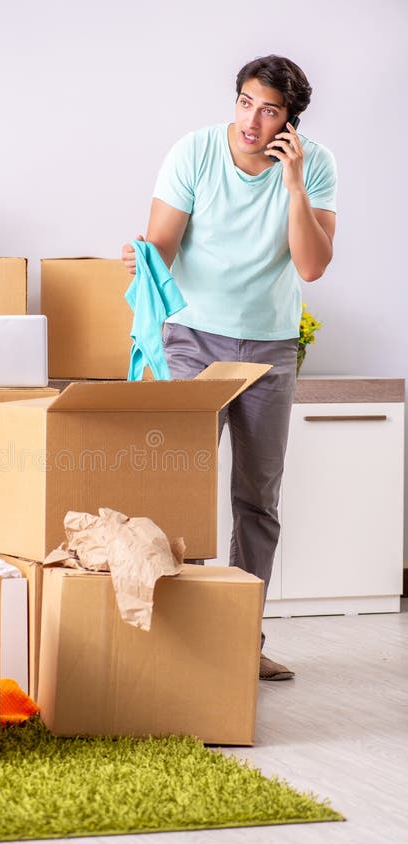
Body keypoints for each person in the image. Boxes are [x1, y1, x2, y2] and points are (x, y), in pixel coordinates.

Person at [122, 54, 337, 681]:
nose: (251, 119)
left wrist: (294, 183)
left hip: (268, 347)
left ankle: (244, 639)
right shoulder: (193, 151)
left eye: (269, 109)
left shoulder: (314, 165)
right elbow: (162, 239)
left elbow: (312, 265)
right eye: (246, 101)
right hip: (190, 336)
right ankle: (171, 636)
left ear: (289, 121)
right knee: (176, 486)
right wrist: (143, 258)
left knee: (257, 499)